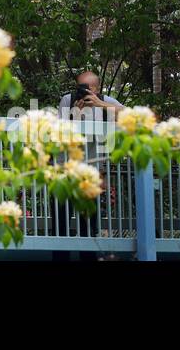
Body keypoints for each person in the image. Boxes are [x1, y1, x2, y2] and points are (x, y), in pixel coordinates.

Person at [53, 70, 123, 261]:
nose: (83, 91)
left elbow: (131, 115)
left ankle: (88, 257)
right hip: (64, 169)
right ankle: (60, 258)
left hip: (90, 172)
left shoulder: (105, 101)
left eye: (88, 87)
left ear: (97, 88)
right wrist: (75, 113)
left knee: (88, 222)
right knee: (60, 222)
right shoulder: (68, 101)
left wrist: (100, 104)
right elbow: (60, 133)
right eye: (80, 87)